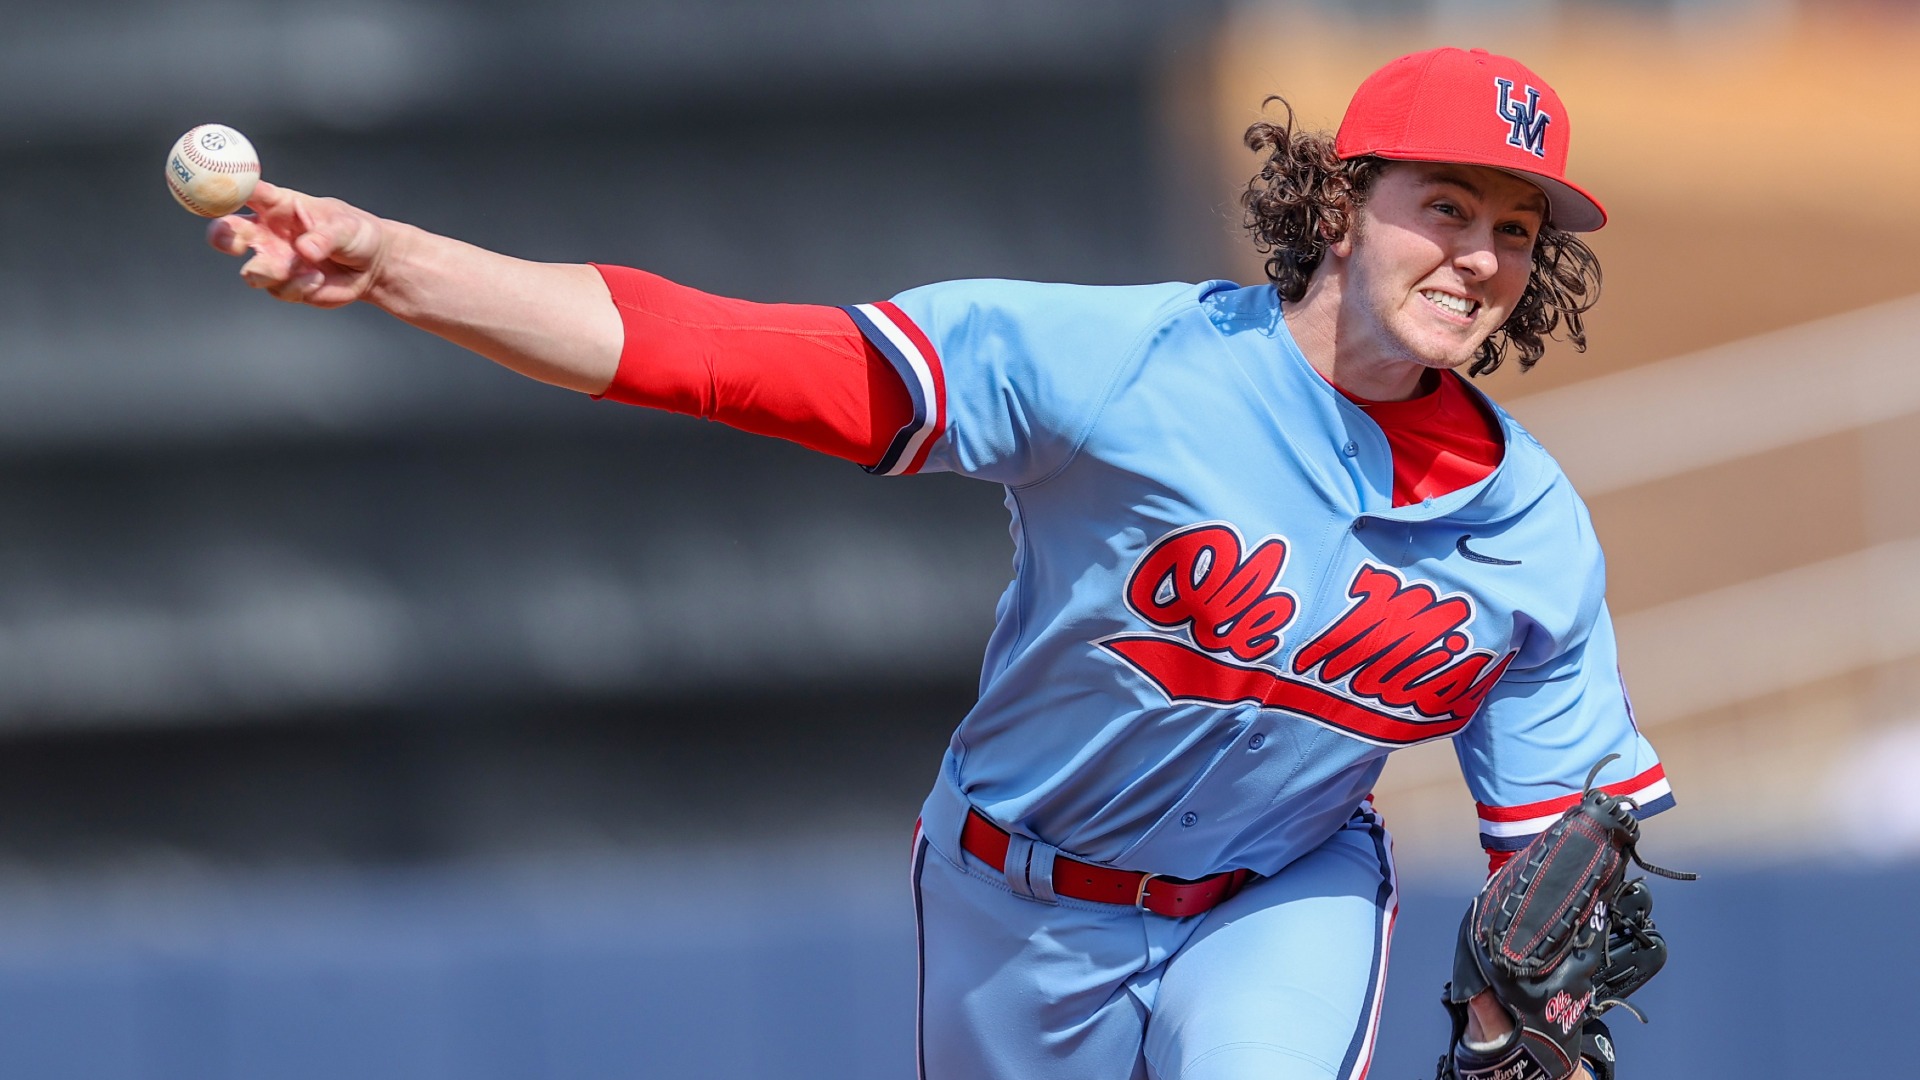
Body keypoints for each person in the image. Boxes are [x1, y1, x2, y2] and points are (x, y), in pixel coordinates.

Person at [208, 45, 1675, 1080]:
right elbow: (720, 354)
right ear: (1342, 203)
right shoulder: (1122, 366)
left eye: (1514, 230)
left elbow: (1557, 863)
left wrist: (1524, 1023)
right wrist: (397, 265)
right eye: (1445, 206)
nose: (1479, 257)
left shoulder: (1528, 533)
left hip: (1277, 893)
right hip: (1013, 894)